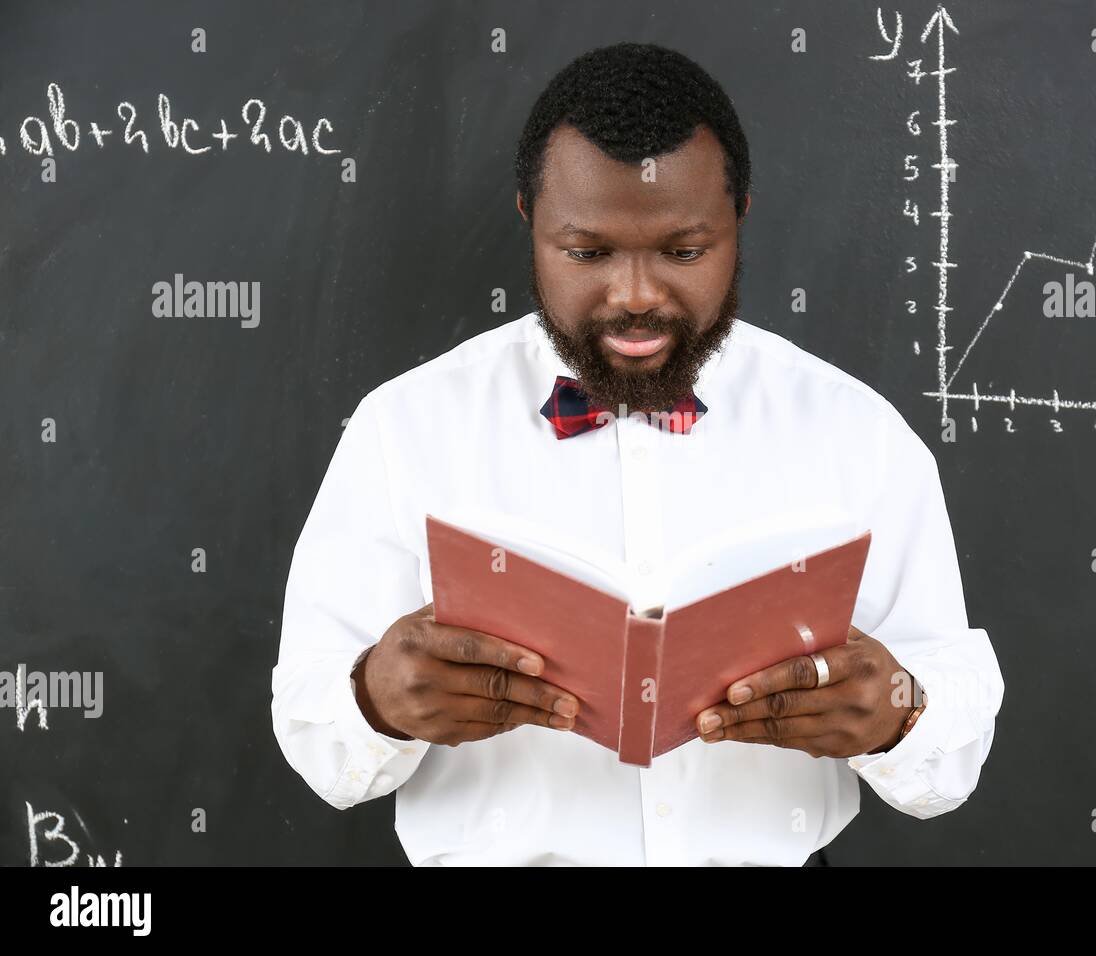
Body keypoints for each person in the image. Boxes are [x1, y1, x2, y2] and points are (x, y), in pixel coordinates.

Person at [271, 41, 1004, 866]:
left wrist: (900, 713)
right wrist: (375, 698)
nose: (636, 298)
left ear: (739, 221)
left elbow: (956, 737)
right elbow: (311, 731)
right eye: (587, 253)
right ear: (529, 221)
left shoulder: (857, 433)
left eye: (684, 252)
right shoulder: (404, 428)